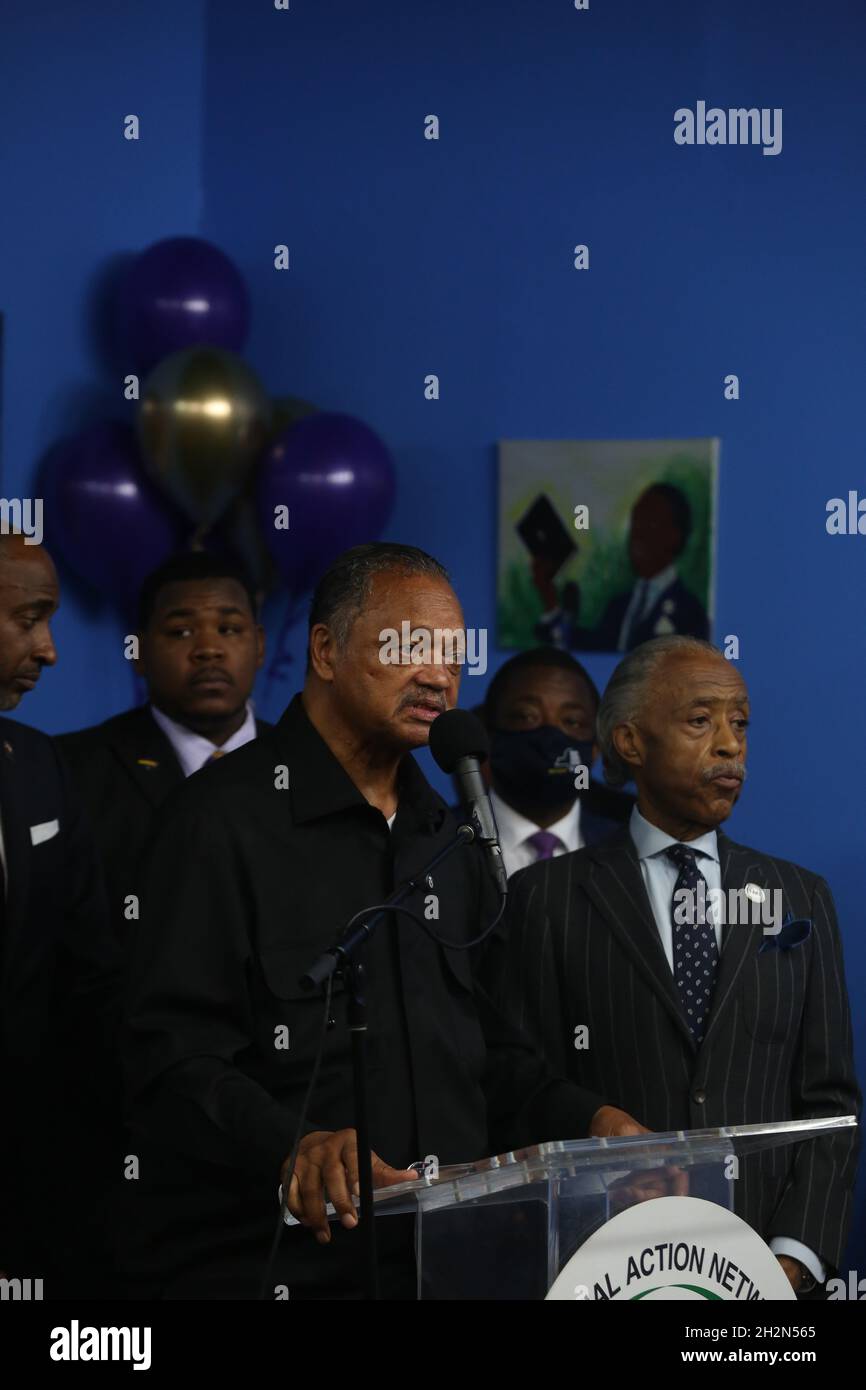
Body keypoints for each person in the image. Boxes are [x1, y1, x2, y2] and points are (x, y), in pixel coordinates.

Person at [121, 542, 643, 1300]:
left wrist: (590, 1119)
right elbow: (168, 1057)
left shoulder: (450, 831)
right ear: (327, 650)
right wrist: (293, 1146)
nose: (437, 675)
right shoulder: (217, 822)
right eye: (409, 647)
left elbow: (487, 1052)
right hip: (277, 1265)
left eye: (452, 656)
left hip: (455, 1263)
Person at [479, 635, 860, 1295]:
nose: (729, 744)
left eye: (739, 723)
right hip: (600, 1268)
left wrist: (793, 1261)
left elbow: (829, 1104)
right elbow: (513, 1075)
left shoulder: (798, 898)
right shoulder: (547, 898)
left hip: (762, 1281)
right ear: (629, 742)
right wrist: (594, 1119)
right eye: (699, 720)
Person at [0, 533, 117, 1295]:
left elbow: (92, 975)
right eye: (28, 619)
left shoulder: (40, 768)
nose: (49, 652)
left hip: (28, 1189)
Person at [58, 552, 270, 942]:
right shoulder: (71, 770)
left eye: (228, 629)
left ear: (258, 646)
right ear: (138, 652)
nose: (208, 649)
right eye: (181, 632)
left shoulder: (309, 762)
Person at [481, 648, 632, 876]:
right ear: (488, 736)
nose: (551, 737)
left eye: (572, 721)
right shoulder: (437, 846)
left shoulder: (631, 852)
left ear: (595, 748)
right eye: (526, 716)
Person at [534, 483, 709, 652]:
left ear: (675, 536)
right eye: (635, 521)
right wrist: (550, 598)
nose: (637, 533)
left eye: (650, 523)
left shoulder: (690, 614)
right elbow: (589, 650)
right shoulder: (618, 607)